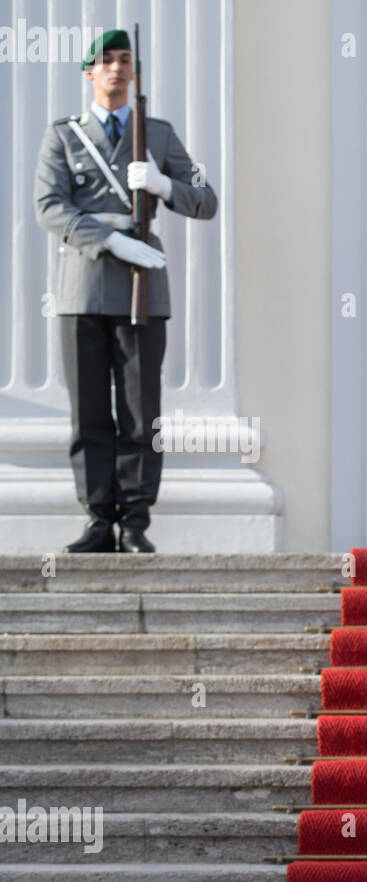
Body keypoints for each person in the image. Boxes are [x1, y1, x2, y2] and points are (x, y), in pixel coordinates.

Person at [34, 28, 219, 554]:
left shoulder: (156, 134)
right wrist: (112, 240)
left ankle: (135, 519)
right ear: (90, 74)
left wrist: (164, 186)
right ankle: (98, 519)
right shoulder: (64, 135)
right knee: (90, 410)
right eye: (105, 61)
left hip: (143, 288)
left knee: (141, 410)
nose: (116, 68)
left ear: (132, 72)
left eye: (124, 60)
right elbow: (50, 207)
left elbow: (205, 199)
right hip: (84, 286)